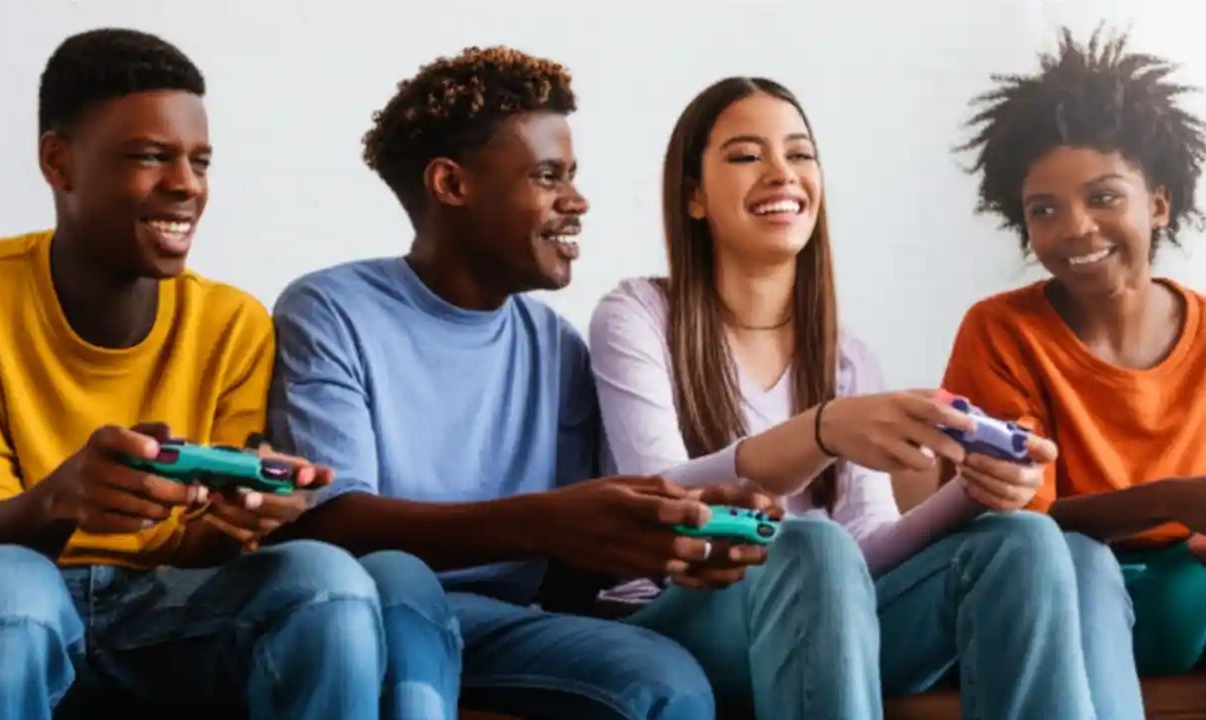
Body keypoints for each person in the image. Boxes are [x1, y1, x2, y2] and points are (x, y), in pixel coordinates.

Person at [0, 28, 458, 720]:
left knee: (326, 580)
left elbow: (199, 548)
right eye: (150, 157)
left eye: (198, 161)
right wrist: (60, 500)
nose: (185, 185)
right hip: (9, 599)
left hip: (167, 608)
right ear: (59, 163)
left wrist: (244, 515)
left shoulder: (231, 323)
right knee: (9, 592)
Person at [587, 73, 1142, 718]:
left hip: (830, 621)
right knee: (811, 546)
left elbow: (866, 552)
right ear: (694, 198)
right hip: (678, 614)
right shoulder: (637, 315)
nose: (780, 173)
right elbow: (659, 504)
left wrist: (973, 489)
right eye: (746, 156)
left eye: (799, 154)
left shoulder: (847, 358)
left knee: (1024, 538)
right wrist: (821, 431)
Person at [267, 46, 768, 719]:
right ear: (451, 184)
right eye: (547, 175)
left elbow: (568, 572)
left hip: (506, 625)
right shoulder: (331, 310)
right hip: (378, 608)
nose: (577, 199)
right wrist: (543, 523)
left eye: (573, 175)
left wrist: (666, 529)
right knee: (400, 577)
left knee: (665, 683)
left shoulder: (556, 347)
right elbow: (331, 524)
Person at [947, 27, 1206, 679]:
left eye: (1104, 197)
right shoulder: (1002, 333)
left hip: (1192, 592)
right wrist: (1168, 499)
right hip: (1060, 595)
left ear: (1159, 202)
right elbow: (1023, 529)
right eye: (1045, 209)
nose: (1076, 228)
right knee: (1081, 566)